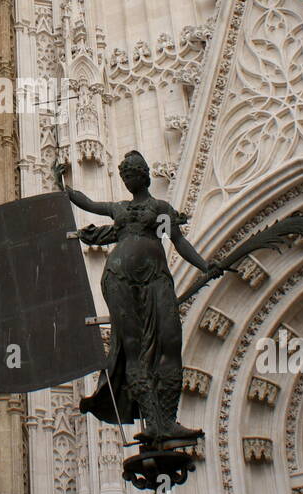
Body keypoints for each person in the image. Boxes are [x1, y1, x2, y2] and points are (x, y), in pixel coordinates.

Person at [53, 150, 221, 444]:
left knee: (170, 342)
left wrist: (206, 265)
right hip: (119, 277)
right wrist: (63, 187)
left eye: (131, 173)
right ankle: (153, 422)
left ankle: (168, 419)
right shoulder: (118, 210)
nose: (127, 178)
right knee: (131, 349)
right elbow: (89, 203)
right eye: (123, 175)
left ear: (144, 174)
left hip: (156, 278)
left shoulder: (161, 208)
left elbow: (179, 242)